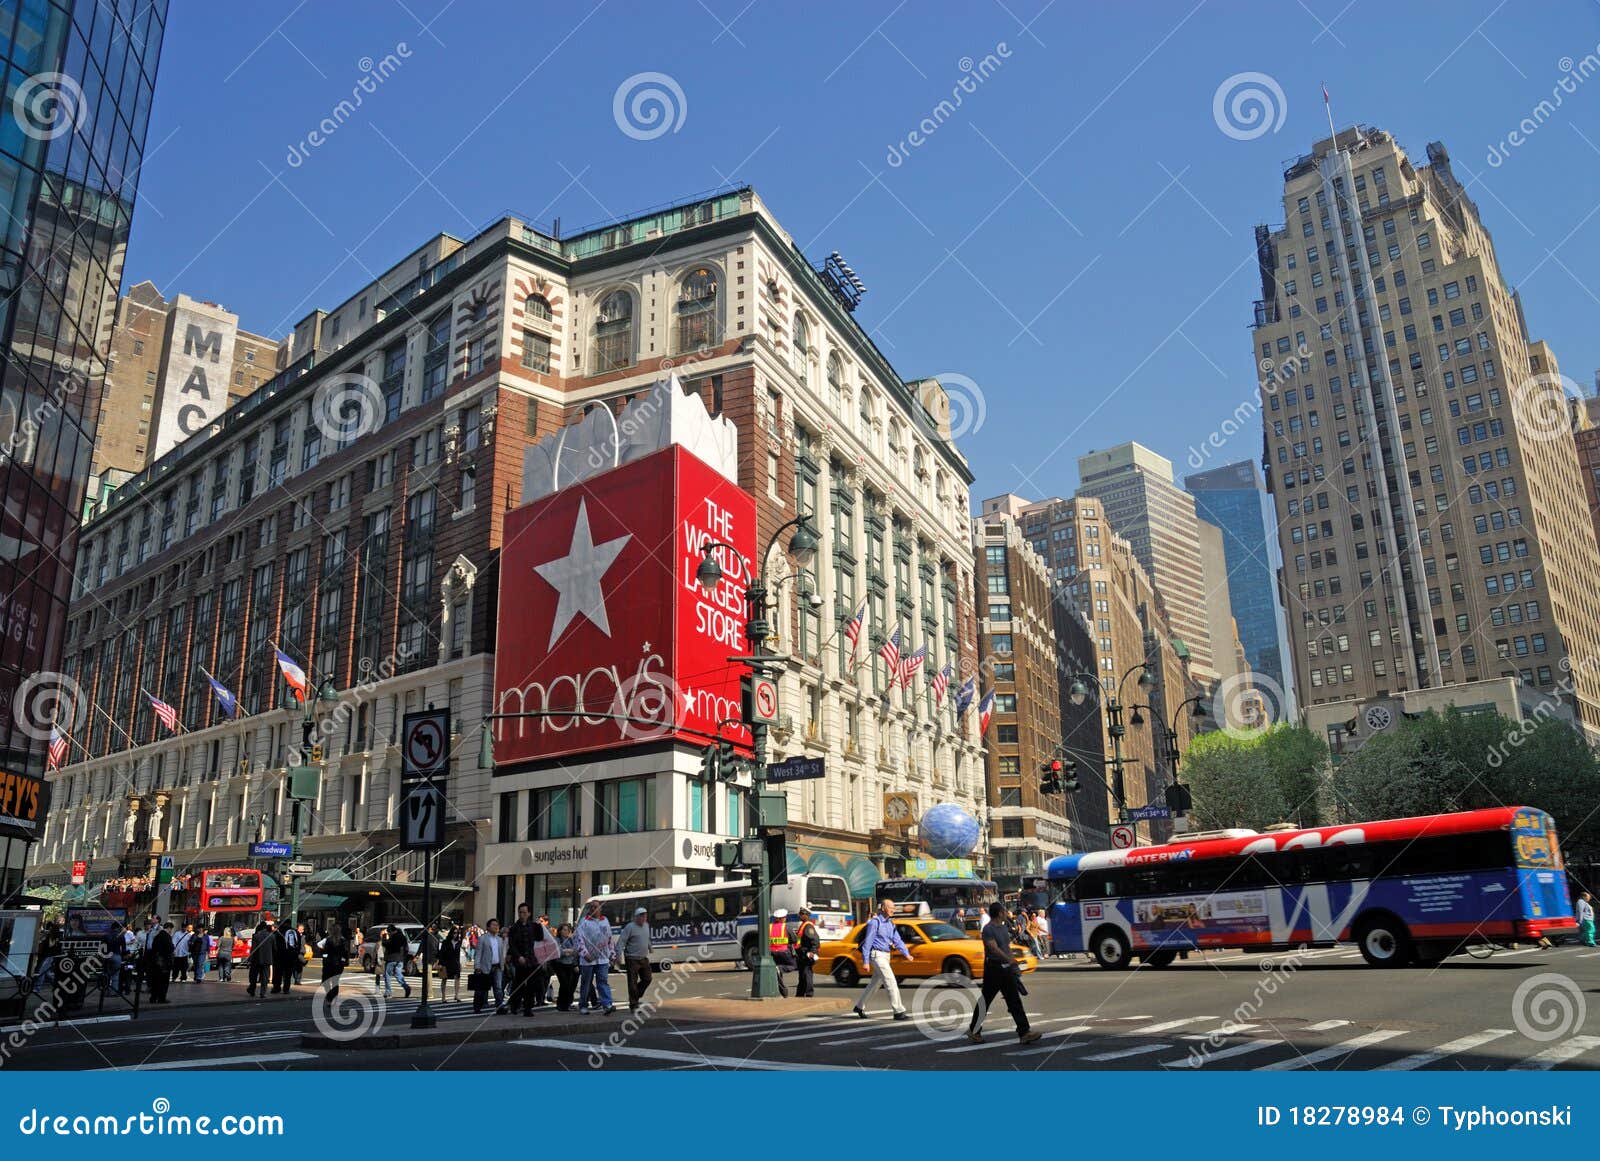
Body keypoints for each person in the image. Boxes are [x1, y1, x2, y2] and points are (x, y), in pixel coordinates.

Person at [967, 903, 1042, 1045]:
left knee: (1014, 1000)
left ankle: (1024, 1032)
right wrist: (1009, 959)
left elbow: (1006, 947)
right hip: (993, 969)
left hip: (1006, 969)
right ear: (999, 913)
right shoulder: (988, 929)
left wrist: (1013, 965)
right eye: (1004, 911)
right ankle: (974, 1030)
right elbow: (993, 948)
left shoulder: (1002, 928)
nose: (1007, 913)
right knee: (986, 1000)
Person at [853, 899, 914, 1020]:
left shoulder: (891, 924)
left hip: (886, 955)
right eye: (891, 907)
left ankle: (859, 1006)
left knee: (875, 983)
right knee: (891, 981)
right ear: (883, 908)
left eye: (894, 908)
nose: (893, 910)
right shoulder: (875, 923)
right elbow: (868, 943)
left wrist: (906, 953)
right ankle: (898, 1011)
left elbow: (897, 940)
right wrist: (865, 961)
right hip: (876, 956)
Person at [507, 904, 552, 1015]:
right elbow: (512, 945)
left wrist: (540, 926)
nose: (522, 915)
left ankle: (528, 1008)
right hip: (520, 960)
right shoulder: (514, 928)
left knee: (532, 985)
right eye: (520, 912)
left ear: (529, 913)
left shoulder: (533, 926)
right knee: (518, 984)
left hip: (532, 959)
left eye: (524, 912)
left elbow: (540, 938)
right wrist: (518, 956)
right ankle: (515, 1005)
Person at [575, 901, 616, 1015]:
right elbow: (579, 939)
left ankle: (607, 1004)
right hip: (588, 959)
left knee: (602, 981)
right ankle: (583, 1005)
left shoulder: (605, 921)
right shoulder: (584, 922)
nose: (593, 909)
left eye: (596, 907)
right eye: (591, 907)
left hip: (602, 958)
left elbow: (609, 938)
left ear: (600, 908)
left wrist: (612, 953)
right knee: (586, 983)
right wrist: (585, 953)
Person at [617, 907, 654, 1011]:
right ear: (636, 917)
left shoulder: (646, 926)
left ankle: (636, 995)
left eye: (645, 916)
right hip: (632, 958)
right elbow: (621, 941)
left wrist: (650, 947)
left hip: (643, 957)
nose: (644, 918)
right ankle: (633, 1005)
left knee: (647, 978)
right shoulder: (630, 927)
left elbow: (647, 938)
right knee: (632, 982)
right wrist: (618, 954)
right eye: (642, 916)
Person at [471, 918, 507, 1014]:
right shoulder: (483, 938)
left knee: (498, 988)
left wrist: (502, 965)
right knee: (481, 988)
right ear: (488, 927)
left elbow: (501, 954)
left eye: (497, 925)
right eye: (493, 925)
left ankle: (499, 1007)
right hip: (485, 966)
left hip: (497, 967)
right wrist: (477, 966)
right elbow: (478, 953)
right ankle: (477, 1006)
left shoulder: (500, 940)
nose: (496, 927)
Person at [320, 922, 351, 1003]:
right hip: (339, 964)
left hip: (329, 963)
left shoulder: (328, 940)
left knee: (325, 981)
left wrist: (324, 959)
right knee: (335, 982)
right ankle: (333, 997)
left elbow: (325, 952)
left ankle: (329, 996)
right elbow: (345, 952)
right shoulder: (343, 940)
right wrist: (344, 961)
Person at [768, 908, 795, 998]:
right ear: (781, 918)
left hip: (772, 952)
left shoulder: (770, 927)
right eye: (784, 917)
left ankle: (783, 992)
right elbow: (794, 939)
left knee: (777, 973)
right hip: (784, 952)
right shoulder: (785, 927)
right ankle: (780, 968)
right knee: (793, 965)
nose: (785, 919)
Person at [552, 923, 579, 1011]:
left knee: (569, 985)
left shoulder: (571, 940)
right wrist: (566, 951)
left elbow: (575, 951)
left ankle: (565, 1004)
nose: (566, 932)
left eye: (567, 930)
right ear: (560, 931)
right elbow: (558, 952)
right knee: (564, 983)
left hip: (570, 964)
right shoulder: (557, 939)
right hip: (560, 964)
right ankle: (561, 1004)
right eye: (564, 930)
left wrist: (569, 952)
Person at [794, 908, 820, 998]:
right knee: (802, 975)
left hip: (807, 955)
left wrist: (812, 952)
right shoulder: (803, 925)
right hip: (802, 955)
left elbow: (815, 940)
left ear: (806, 915)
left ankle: (809, 994)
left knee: (807, 974)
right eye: (800, 913)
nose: (800, 915)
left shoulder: (808, 926)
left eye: (802, 914)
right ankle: (800, 994)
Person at [381, 924, 412, 998]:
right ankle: (406, 987)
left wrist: (384, 937)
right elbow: (406, 948)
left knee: (387, 974)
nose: (388, 933)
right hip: (400, 959)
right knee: (398, 975)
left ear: (391, 931)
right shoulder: (403, 937)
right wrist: (403, 956)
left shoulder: (393, 937)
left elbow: (386, 945)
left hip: (391, 958)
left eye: (389, 932)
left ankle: (388, 991)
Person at [146, 922, 174, 1003]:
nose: (171, 931)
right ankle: (162, 998)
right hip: (164, 963)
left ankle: (153, 997)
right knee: (164, 982)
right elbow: (170, 948)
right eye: (171, 929)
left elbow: (153, 948)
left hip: (155, 962)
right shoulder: (167, 936)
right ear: (169, 928)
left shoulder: (157, 936)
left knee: (155, 981)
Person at [437, 925, 463, 1002]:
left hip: (455, 962)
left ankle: (456, 995)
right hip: (446, 962)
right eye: (454, 933)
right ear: (451, 933)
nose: (456, 934)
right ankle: (443, 997)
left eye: (457, 933)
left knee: (457, 978)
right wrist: (441, 963)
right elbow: (441, 953)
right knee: (444, 979)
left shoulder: (458, 942)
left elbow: (458, 954)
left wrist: (460, 964)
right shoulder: (446, 942)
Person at [246, 921, 273, 996]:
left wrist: (250, 959)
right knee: (265, 977)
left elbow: (253, 949)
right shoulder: (271, 936)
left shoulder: (256, 936)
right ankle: (263, 992)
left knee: (253, 975)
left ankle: (252, 989)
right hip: (267, 959)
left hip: (256, 959)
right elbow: (274, 949)